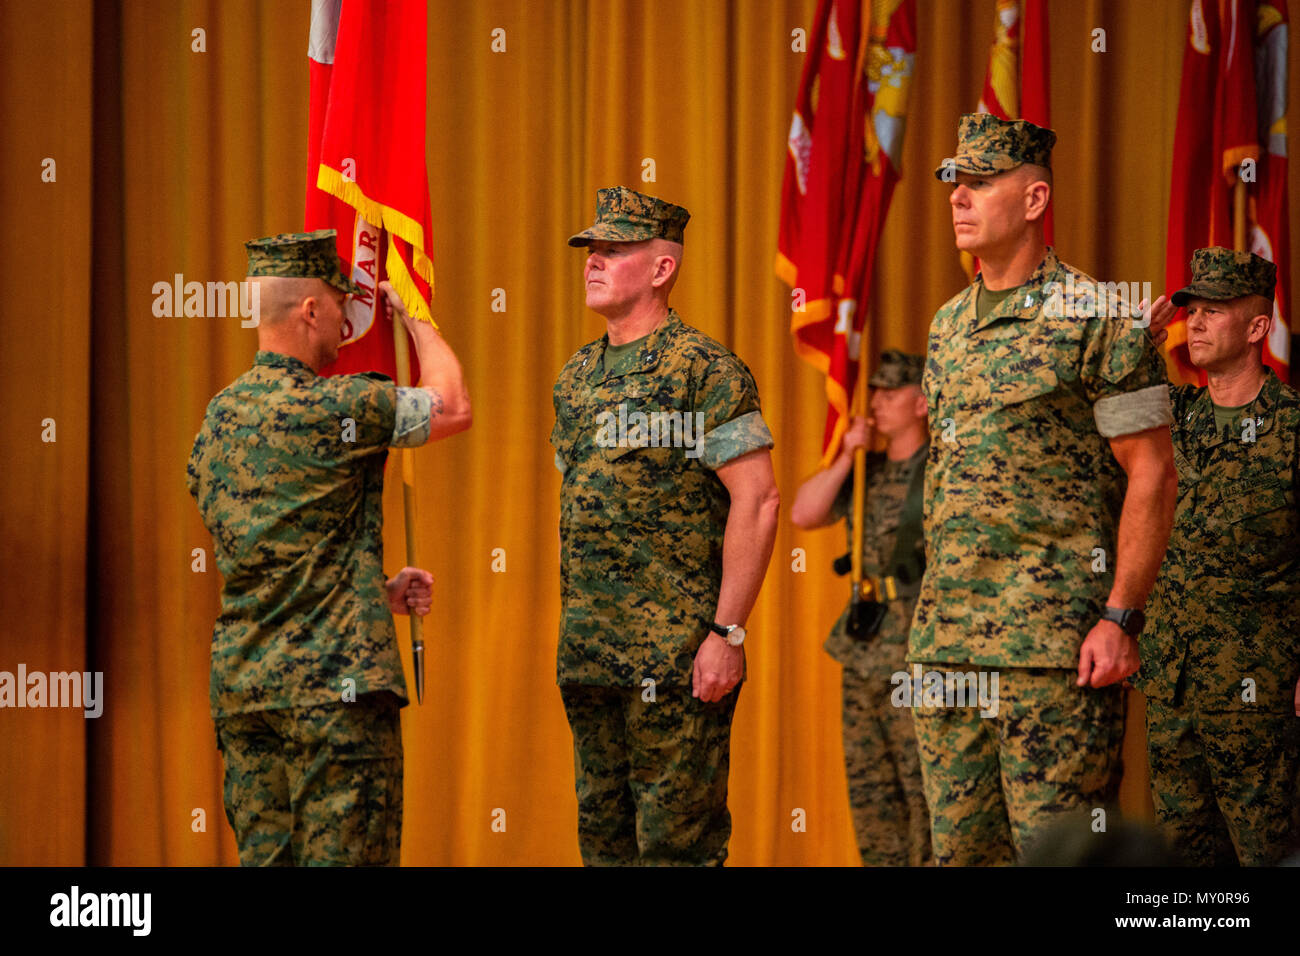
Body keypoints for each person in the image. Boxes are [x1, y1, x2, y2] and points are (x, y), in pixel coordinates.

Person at [910, 114, 1177, 865]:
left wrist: (1121, 614)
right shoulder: (946, 326)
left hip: (1053, 648)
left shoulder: (1099, 316)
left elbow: (1151, 470)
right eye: (953, 185)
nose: (959, 199)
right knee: (960, 856)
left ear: (1033, 200)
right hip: (948, 644)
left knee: (1057, 857)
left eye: (980, 183)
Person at [187, 229, 471, 865]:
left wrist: (372, 592)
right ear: (309, 309)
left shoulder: (218, 419)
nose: (349, 321)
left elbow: (267, 549)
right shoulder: (341, 404)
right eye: (341, 303)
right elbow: (452, 406)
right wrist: (417, 320)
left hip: (246, 691)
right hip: (334, 697)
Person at [551, 186, 780, 866]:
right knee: (605, 847)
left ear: (661, 268)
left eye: (613, 250)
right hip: (591, 655)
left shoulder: (704, 371)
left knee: (678, 850)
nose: (593, 262)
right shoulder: (575, 379)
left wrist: (726, 634)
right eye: (591, 251)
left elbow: (760, 500)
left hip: (677, 658)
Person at [1140, 247, 1300, 866]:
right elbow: (1092, 419)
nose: (1196, 323)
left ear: (1258, 327)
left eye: (1214, 310)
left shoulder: (1291, 426)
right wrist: (1137, 351)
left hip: (1258, 693)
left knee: (1266, 854)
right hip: (1172, 683)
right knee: (1182, 861)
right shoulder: (1173, 414)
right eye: (1191, 310)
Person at [790, 350, 932, 866]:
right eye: (874, 391)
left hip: (917, 648)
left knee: (922, 786)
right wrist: (847, 456)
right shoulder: (865, 473)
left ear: (921, 402)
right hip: (865, 644)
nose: (876, 403)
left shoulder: (938, 468)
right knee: (870, 788)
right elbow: (804, 512)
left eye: (890, 393)